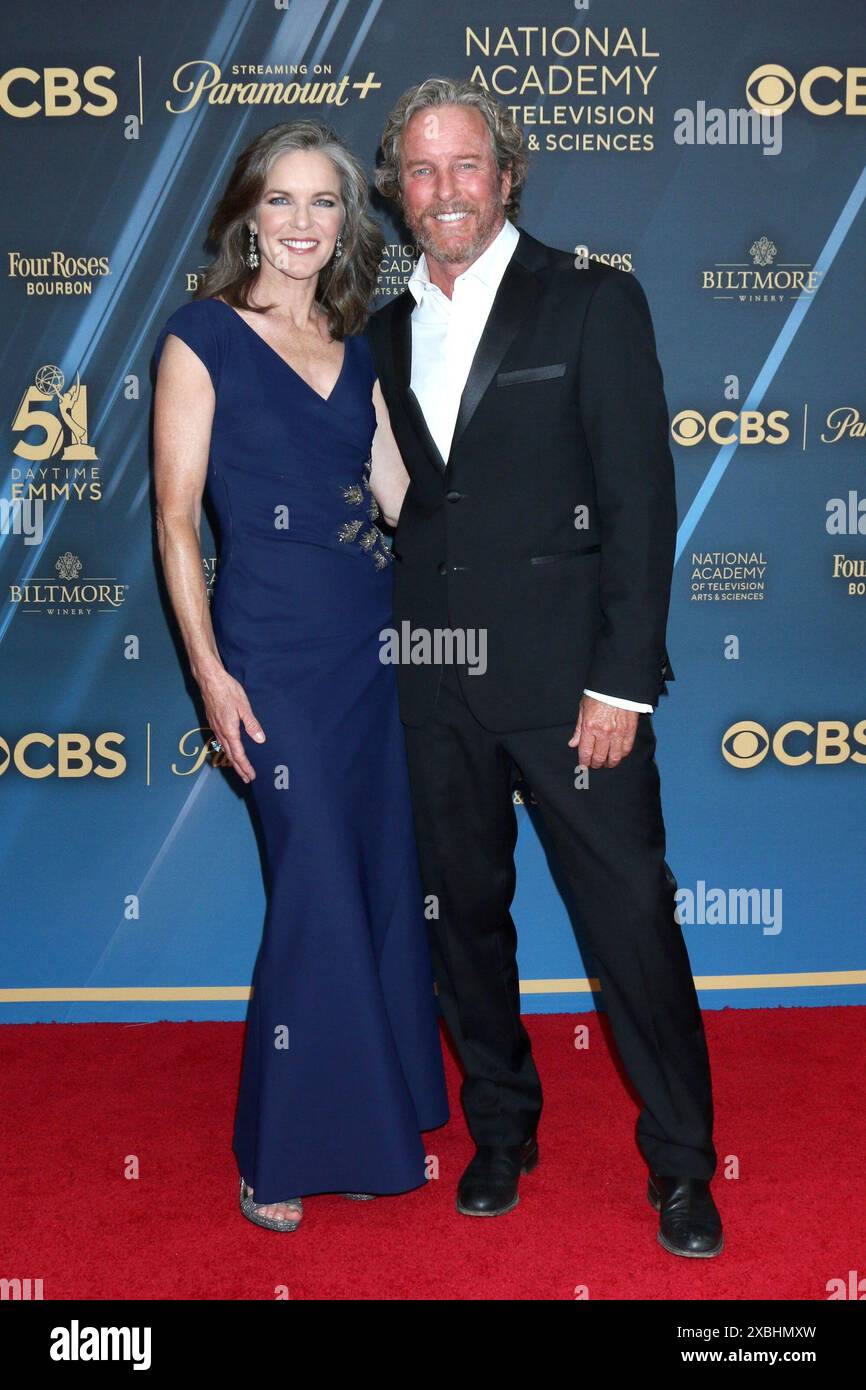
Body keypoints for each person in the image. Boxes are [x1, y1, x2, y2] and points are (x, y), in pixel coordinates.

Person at [367, 77, 723, 1257]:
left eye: (463, 165)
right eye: (419, 172)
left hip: (578, 696)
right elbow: (405, 509)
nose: (443, 190)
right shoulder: (378, 329)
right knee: (461, 927)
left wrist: (620, 681)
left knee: (629, 924)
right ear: (396, 192)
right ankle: (500, 1131)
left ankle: (681, 1160)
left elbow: (637, 499)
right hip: (434, 684)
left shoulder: (588, 300)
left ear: (506, 174)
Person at [152, 119, 448, 1234]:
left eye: (323, 202)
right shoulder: (201, 337)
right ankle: (280, 1148)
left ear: (345, 220)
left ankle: (397, 1099)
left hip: (369, 648)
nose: (301, 224)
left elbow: (399, 501)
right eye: (280, 201)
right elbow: (176, 522)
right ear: (247, 216)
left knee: (372, 874)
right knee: (316, 883)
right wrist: (211, 676)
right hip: (269, 654)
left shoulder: (353, 342)